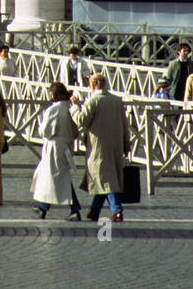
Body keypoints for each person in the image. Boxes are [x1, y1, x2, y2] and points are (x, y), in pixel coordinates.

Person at [71, 72, 130, 221]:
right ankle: (94, 211)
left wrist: (75, 107)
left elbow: (81, 120)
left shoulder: (93, 101)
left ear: (92, 85)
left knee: (105, 179)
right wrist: (126, 144)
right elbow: (125, 124)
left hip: (98, 145)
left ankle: (117, 210)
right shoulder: (117, 101)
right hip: (115, 145)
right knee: (102, 177)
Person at [31, 83, 81, 220]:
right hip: (66, 145)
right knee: (57, 177)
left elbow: (44, 131)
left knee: (54, 177)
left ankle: (72, 209)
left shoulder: (54, 109)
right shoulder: (70, 108)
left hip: (54, 146)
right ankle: (43, 207)